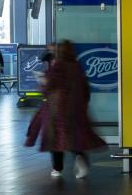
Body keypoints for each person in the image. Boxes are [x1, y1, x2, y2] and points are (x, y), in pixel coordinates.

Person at [31, 40, 106, 180]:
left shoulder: (58, 66)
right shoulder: (77, 66)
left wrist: (42, 83)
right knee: (74, 136)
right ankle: (80, 157)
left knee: (55, 138)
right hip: (76, 108)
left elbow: (49, 85)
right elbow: (85, 88)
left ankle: (57, 168)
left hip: (57, 108)